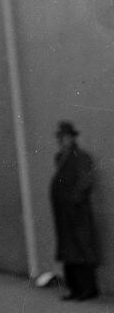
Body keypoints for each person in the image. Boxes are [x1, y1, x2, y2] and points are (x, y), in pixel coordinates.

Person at [50, 120, 101, 301]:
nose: (64, 141)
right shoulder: (61, 157)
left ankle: (87, 289)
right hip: (64, 215)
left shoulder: (81, 157)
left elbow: (85, 182)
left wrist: (74, 201)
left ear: (72, 138)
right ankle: (75, 289)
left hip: (77, 214)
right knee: (68, 253)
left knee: (81, 251)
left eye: (67, 137)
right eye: (61, 138)